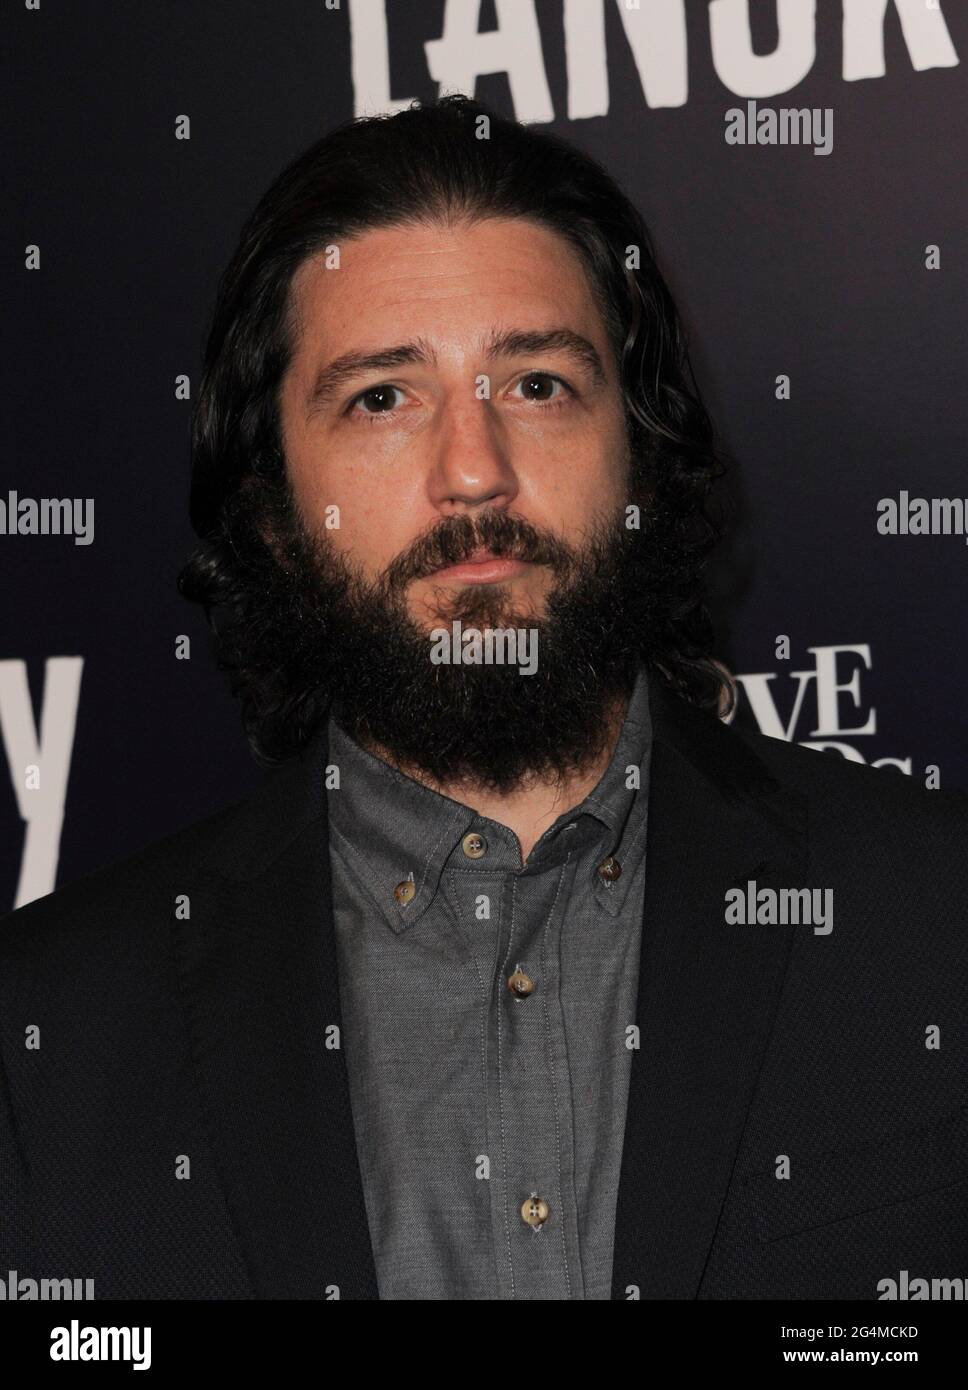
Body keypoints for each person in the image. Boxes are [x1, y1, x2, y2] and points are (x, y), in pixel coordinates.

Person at [1, 96, 966, 1302]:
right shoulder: (51, 1038)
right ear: (271, 511)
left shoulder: (933, 921)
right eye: (381, 397)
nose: (473, 470)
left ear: (641, 450)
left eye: (539, 383)